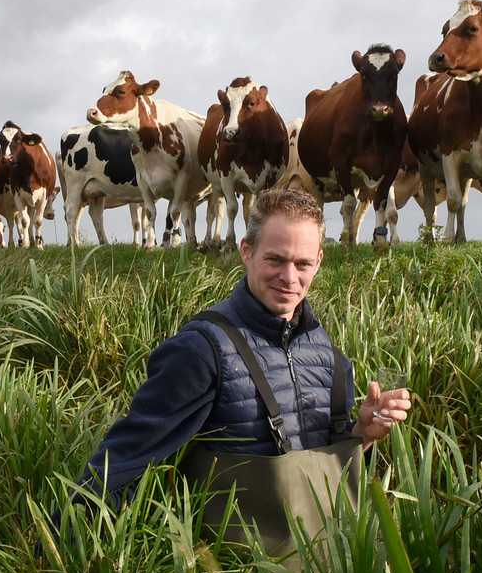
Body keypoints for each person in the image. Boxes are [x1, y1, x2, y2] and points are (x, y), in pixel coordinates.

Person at [80, 187, 410, 550]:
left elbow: (324, 468)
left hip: (331, 563)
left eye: (302, 263)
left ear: (318, 262)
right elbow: (122, 462)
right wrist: (55, 558)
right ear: (246, 252)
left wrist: (361, 434)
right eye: (275, 259)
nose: (289, 277)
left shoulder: (330, 356)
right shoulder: (202, 350)